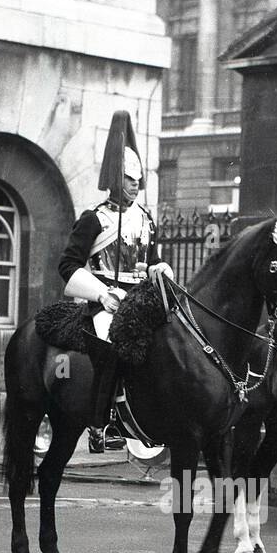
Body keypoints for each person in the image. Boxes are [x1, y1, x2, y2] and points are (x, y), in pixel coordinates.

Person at [57, 110, 172, 451]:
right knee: (111, 343)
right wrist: (102, 293)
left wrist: (159, 268)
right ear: (114, 178)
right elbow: (67, 265)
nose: (135, 185)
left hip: (140, 298)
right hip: (105, 299)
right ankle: (100, 424)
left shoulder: (146, 220)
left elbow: (151, 260)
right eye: (128, 178)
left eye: (138, 180)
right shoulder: (95, 219)